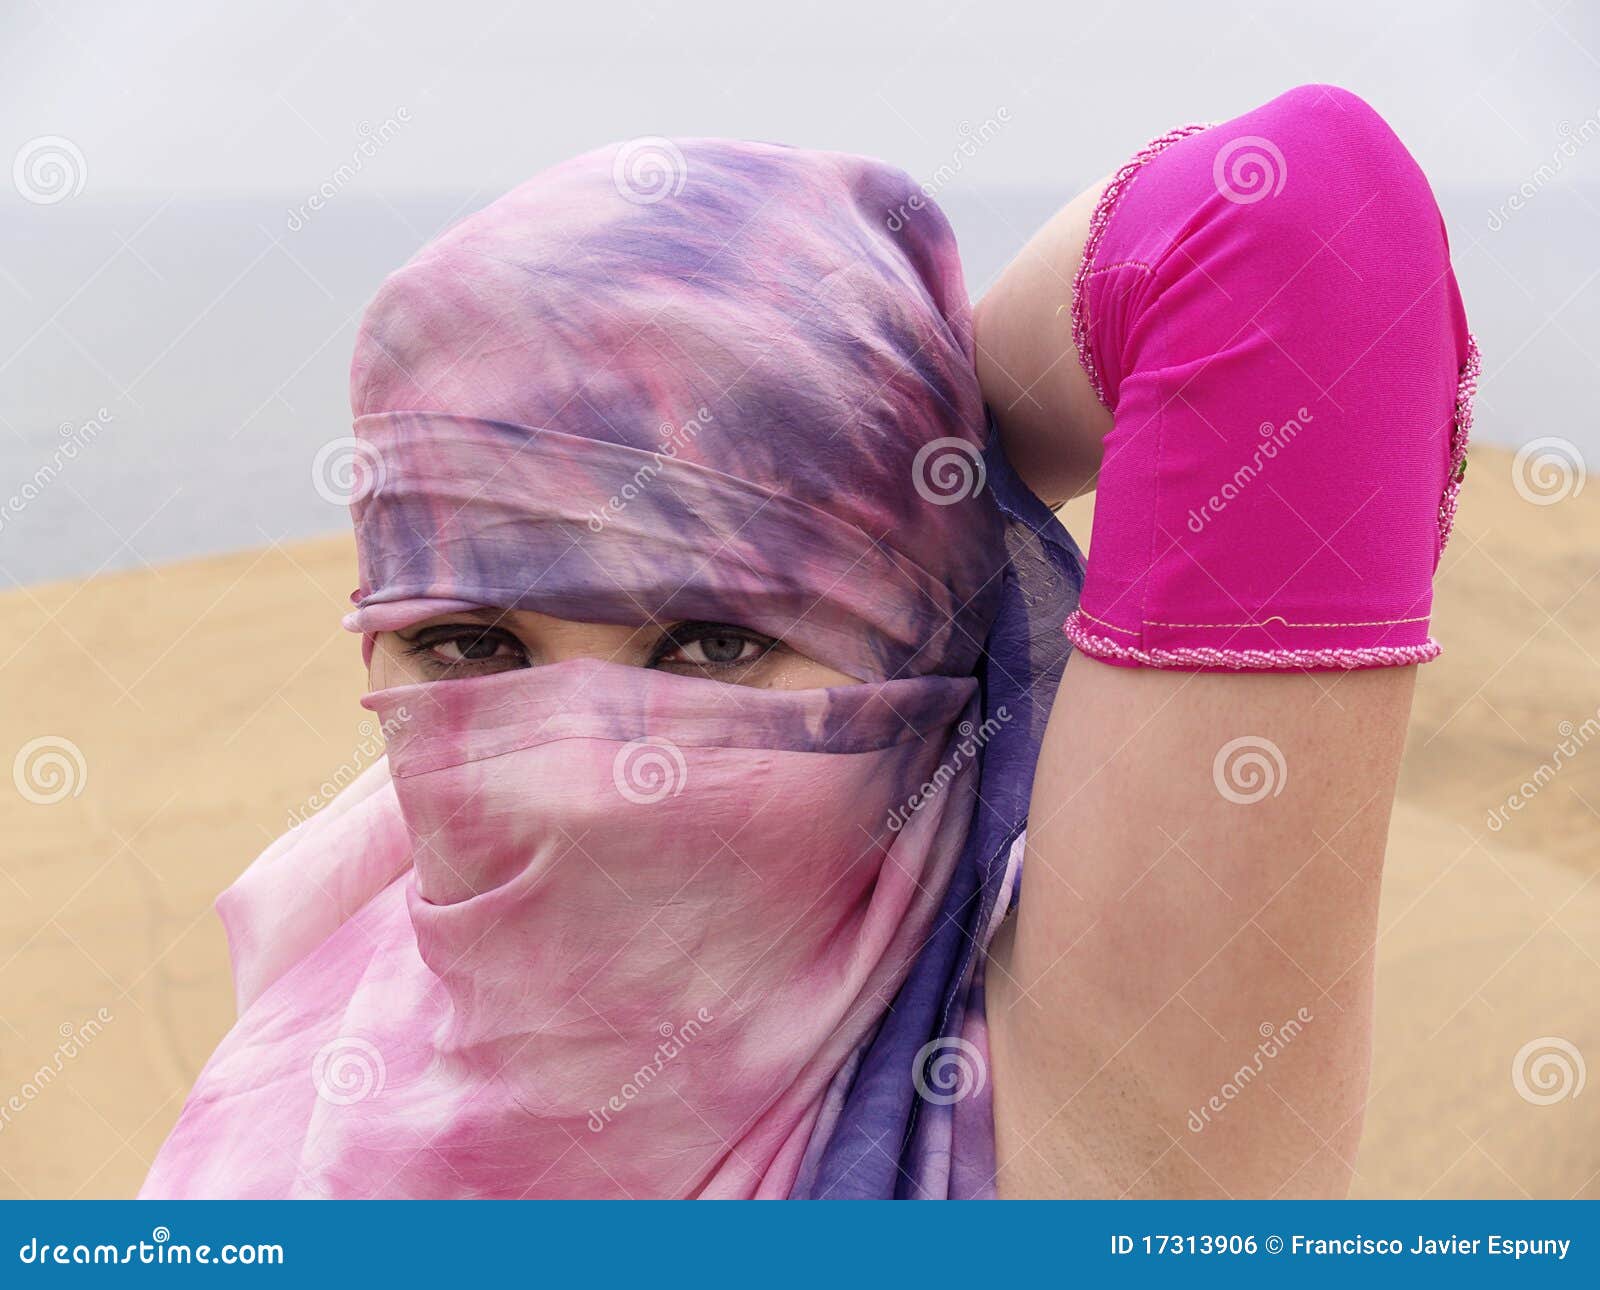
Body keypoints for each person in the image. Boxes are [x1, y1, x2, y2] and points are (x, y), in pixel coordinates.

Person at [141, 84, 1473, 1200]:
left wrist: (932, 464)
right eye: (474, 644)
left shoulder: (1076, 1128)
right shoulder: (312, 1046)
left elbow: (1297, 216)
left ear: (915, 660)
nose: (585, 775)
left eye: (713, 644)